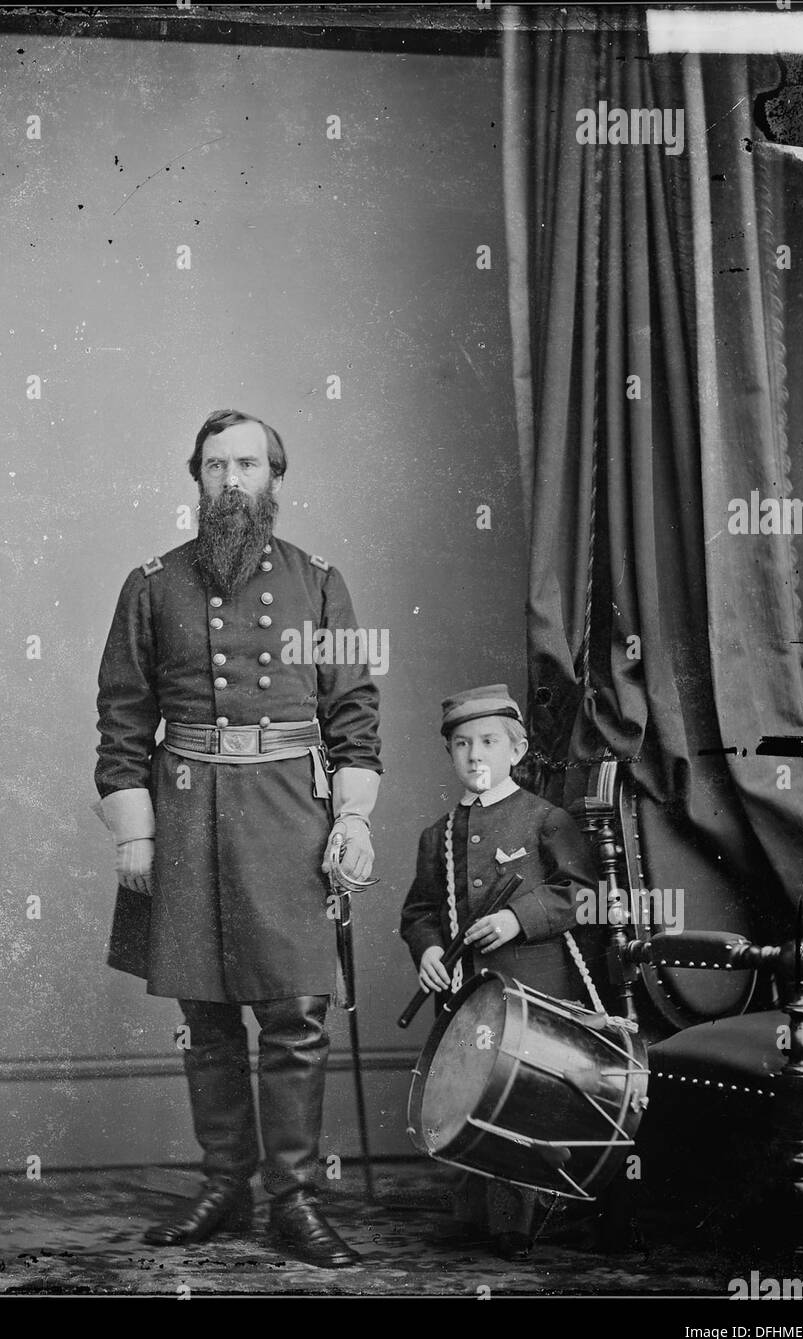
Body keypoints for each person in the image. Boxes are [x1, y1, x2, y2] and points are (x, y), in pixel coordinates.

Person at [94, 408, 381, 1269]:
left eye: (247, 465)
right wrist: (133, 837)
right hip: (184, 811)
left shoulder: (323, 583)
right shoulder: (151, 585)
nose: (231, 481)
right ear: (197, 479)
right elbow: (121, 720)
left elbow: (356, 714)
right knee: (207, 1014)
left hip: (292, 809)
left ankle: (294, 1202)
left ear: (275, 479)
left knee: (295, 1013)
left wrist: (355, 819)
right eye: (215, 466)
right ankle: (225, 1188)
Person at [399, 684, 597, 1257]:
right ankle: (474, 1215)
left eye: (488, 741)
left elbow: (584, 896)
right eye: (461, 744)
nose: (475, 754)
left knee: (520, 1098)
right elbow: (419, 911)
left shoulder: (547, 820)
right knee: (464, 1091)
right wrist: (431, 950)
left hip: (534, 992)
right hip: (465, 993)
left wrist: (519, 918)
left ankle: (520, 1222)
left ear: (517, 750)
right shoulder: (436, 835)